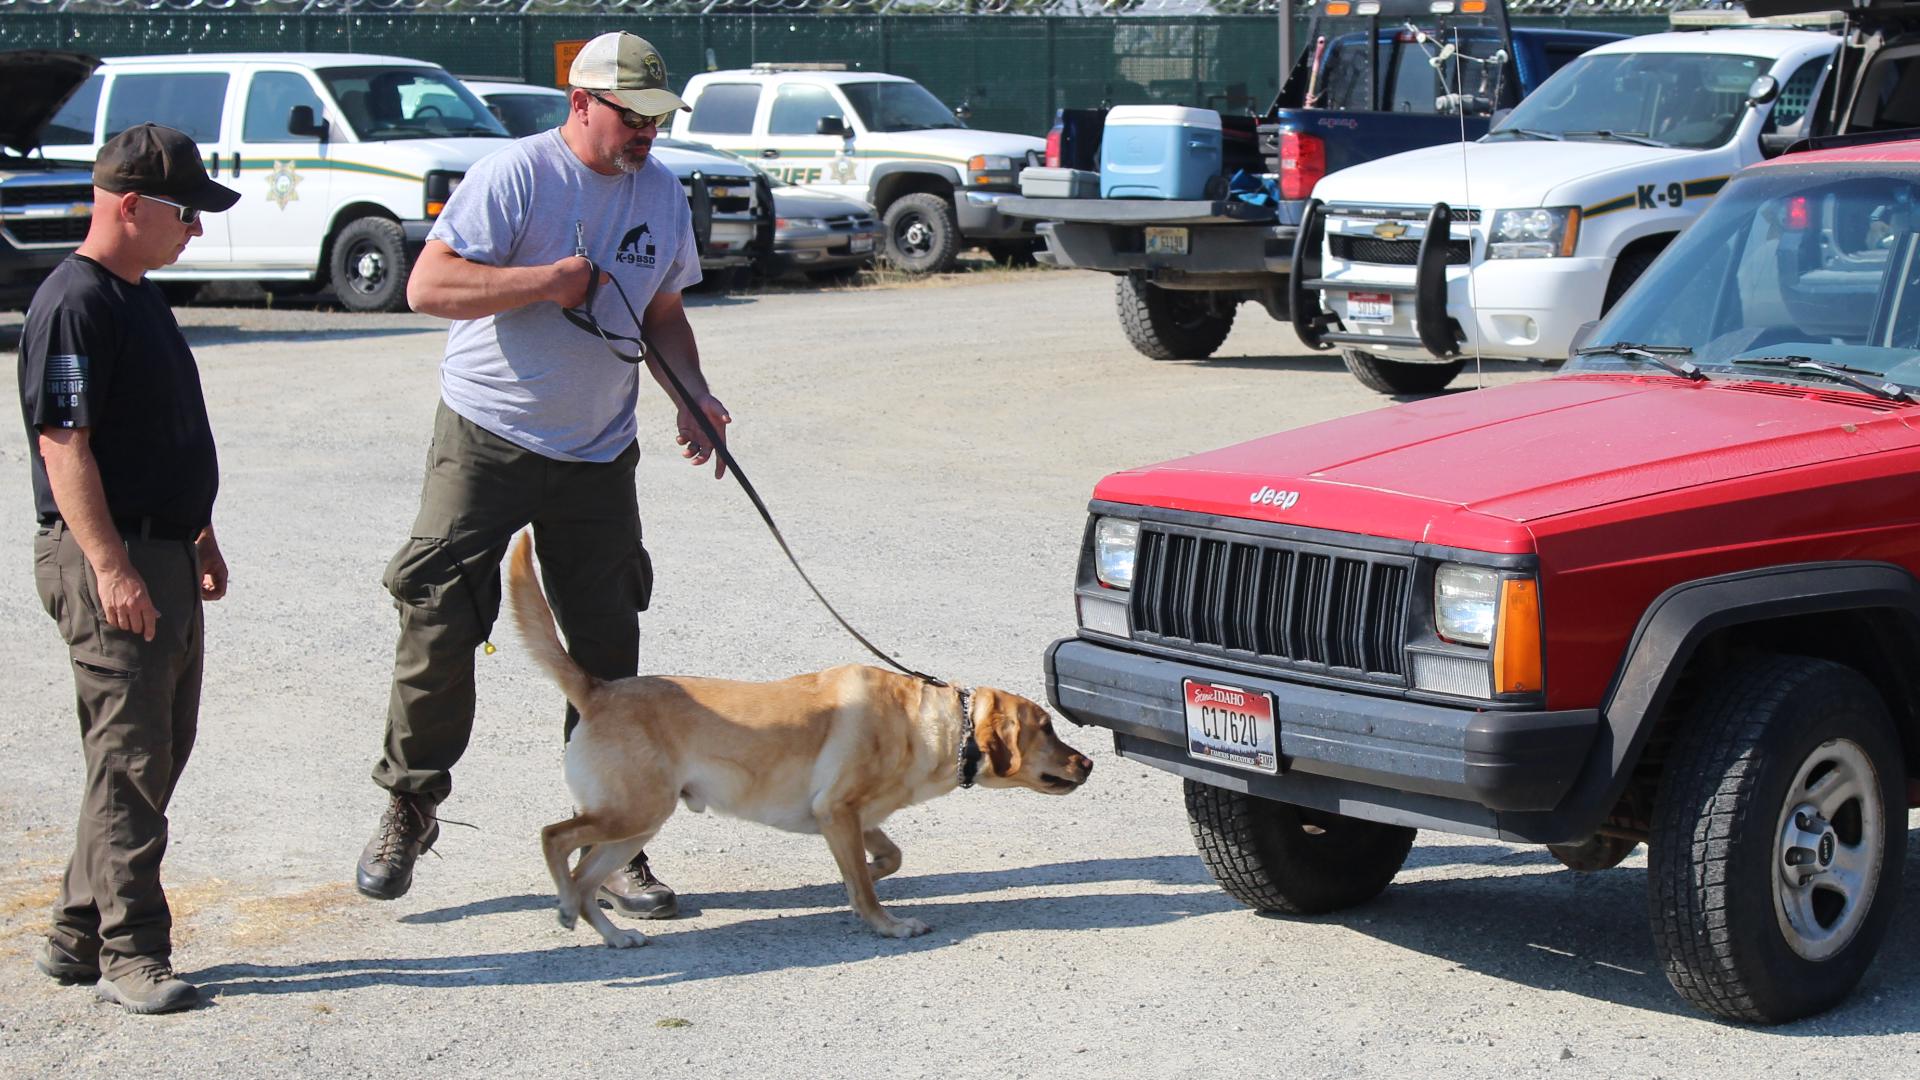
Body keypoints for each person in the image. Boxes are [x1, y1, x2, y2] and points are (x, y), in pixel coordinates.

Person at [354, 32, 732, 919]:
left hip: (598, 451)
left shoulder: (660, 189)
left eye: (656, 118)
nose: (646, 133)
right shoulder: (516, 175)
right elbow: (428, 287)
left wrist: (692, 394)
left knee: (607, 653)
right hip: (486, 438)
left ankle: (612, 835)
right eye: (631, 116)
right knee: (440, 620)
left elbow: (663, 311)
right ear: (580, 102)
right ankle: (411, 804)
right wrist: (544, 282)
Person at [20, 123, 239, 1014]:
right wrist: (112, 569)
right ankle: (132, 952)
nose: (197, 229)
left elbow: (161, 434)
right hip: (111, 554)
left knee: (149, 753)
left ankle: (78, 932)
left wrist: (198, 533)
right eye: (186, 212)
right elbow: (64, 445)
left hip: (162, 549)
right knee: (132, 759)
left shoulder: (137, 297)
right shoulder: (75, 302)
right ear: (133, 205)